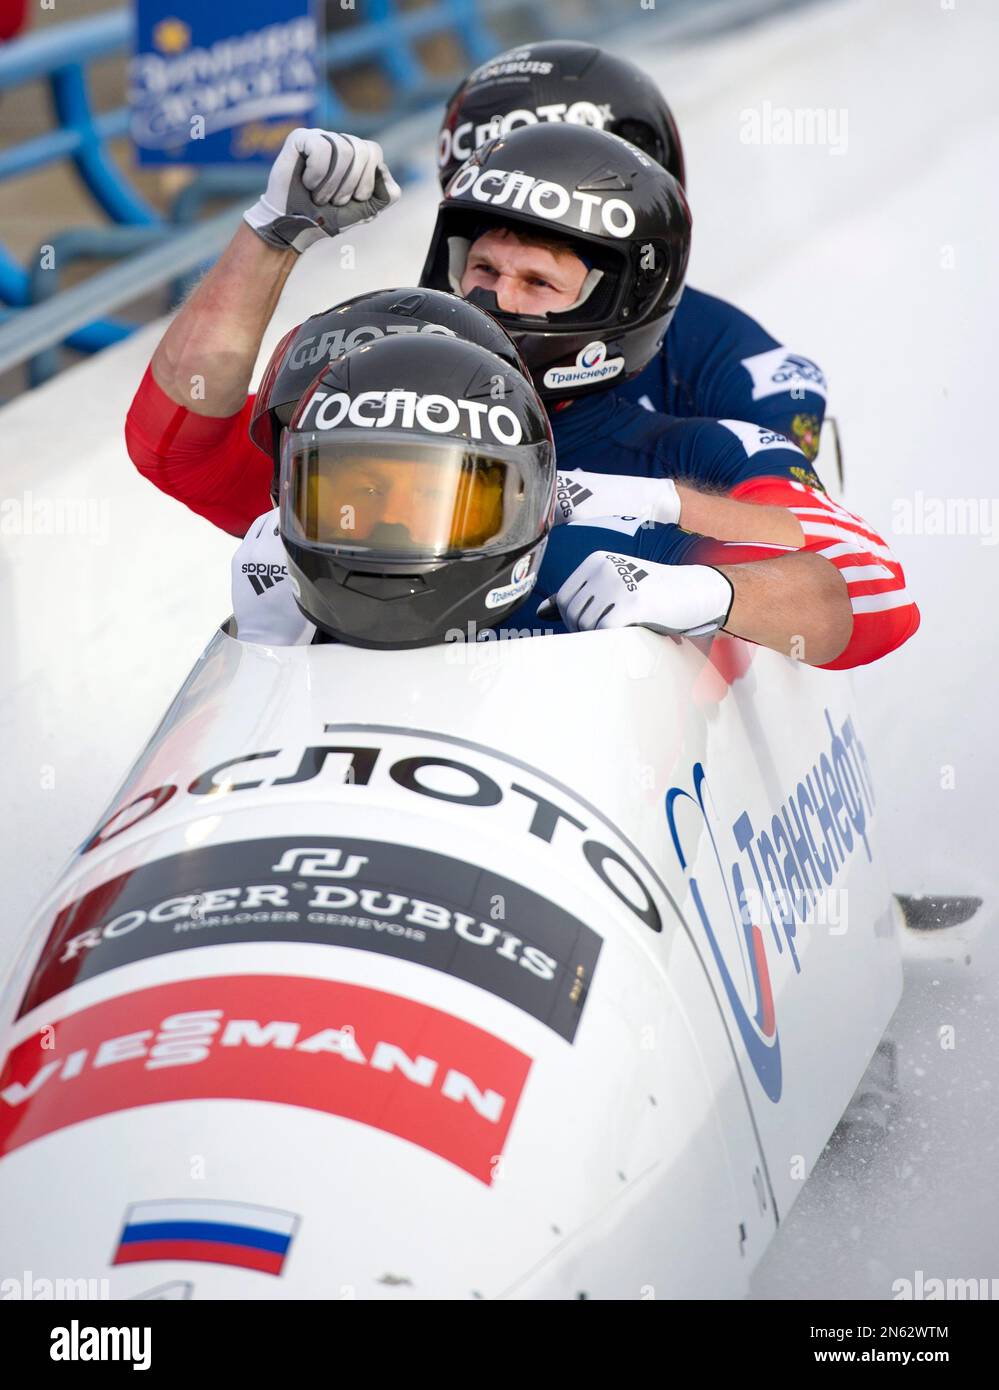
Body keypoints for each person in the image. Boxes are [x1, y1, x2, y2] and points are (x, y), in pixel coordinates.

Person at [234, 330, 853, 666]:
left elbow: (827, 593)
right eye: (362, 490)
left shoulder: (581, 559)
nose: (394, 519)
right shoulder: (274, 587)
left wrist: (700, 590)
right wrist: (255, 658)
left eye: (437, 493)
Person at [436, 40, 828, 459]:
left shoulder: (736, 364)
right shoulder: (426, 325)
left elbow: (784, 503)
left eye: (538, 279)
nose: (499, 296)